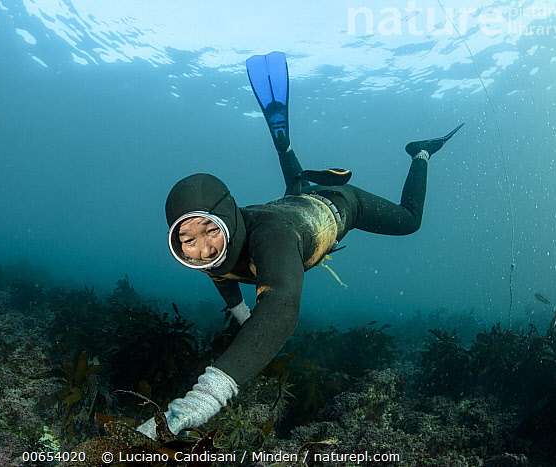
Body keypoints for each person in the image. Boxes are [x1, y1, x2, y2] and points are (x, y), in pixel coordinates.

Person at [137, 52, 463, 439]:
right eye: (186, 240)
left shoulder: (269, 239)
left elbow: (280, 310)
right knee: (293, 191)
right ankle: (284, 146)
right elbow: (218, 271)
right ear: (176, 238)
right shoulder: (218, 241)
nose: (204, 249)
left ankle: (421, 152)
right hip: (292, 204)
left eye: (210, 230)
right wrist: (242, 316)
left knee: (410, 222)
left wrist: (199, 401)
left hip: (340, 204)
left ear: (223, 218)